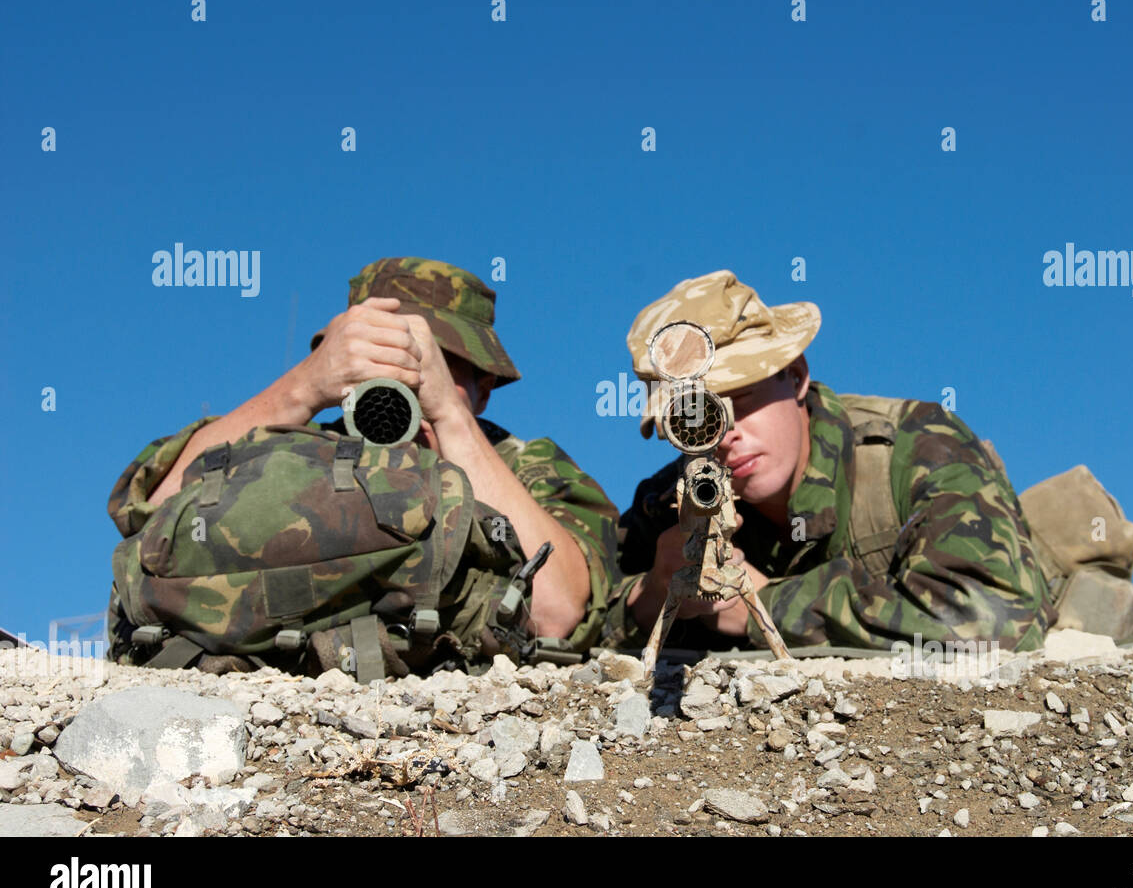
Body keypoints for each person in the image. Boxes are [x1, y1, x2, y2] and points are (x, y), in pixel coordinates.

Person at [109, 258, 618, 654]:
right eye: (376, 360)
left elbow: (557, 609)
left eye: (441, 365)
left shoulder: (524, 465)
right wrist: (303, 387)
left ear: (485, 388)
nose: (403, 378)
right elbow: (147, 517)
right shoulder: (291, 450)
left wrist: (451, 419)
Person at [603, 270, 1055, 654]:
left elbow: (991, 617)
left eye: (741, 400)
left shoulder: (916, 445)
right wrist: (654, 594)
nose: (726, 435)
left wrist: (764, 607)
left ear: (796, 377)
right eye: (696, 422)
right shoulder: (669, 503)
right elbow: (576, 621)